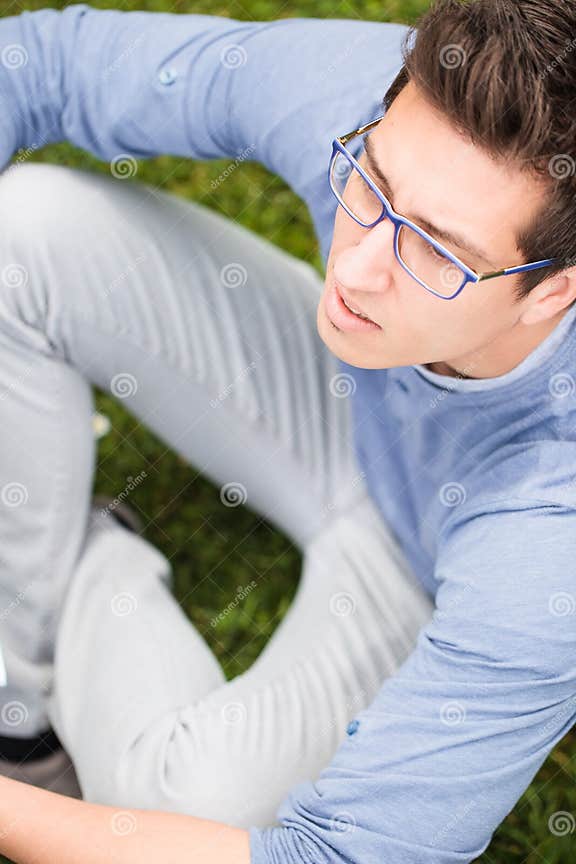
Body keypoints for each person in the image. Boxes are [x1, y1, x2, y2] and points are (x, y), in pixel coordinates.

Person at [0, 0, 574, 861]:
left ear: (553, 291)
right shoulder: (385, 102)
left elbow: (338, 856)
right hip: (341, 391)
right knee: (19, 232)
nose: (357, 267)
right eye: (373, 184)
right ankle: (20, 704)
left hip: (440, 567)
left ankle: (80, 554)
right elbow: (41, 61)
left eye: (438, 252)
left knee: (178, 803)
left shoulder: (552, 543)